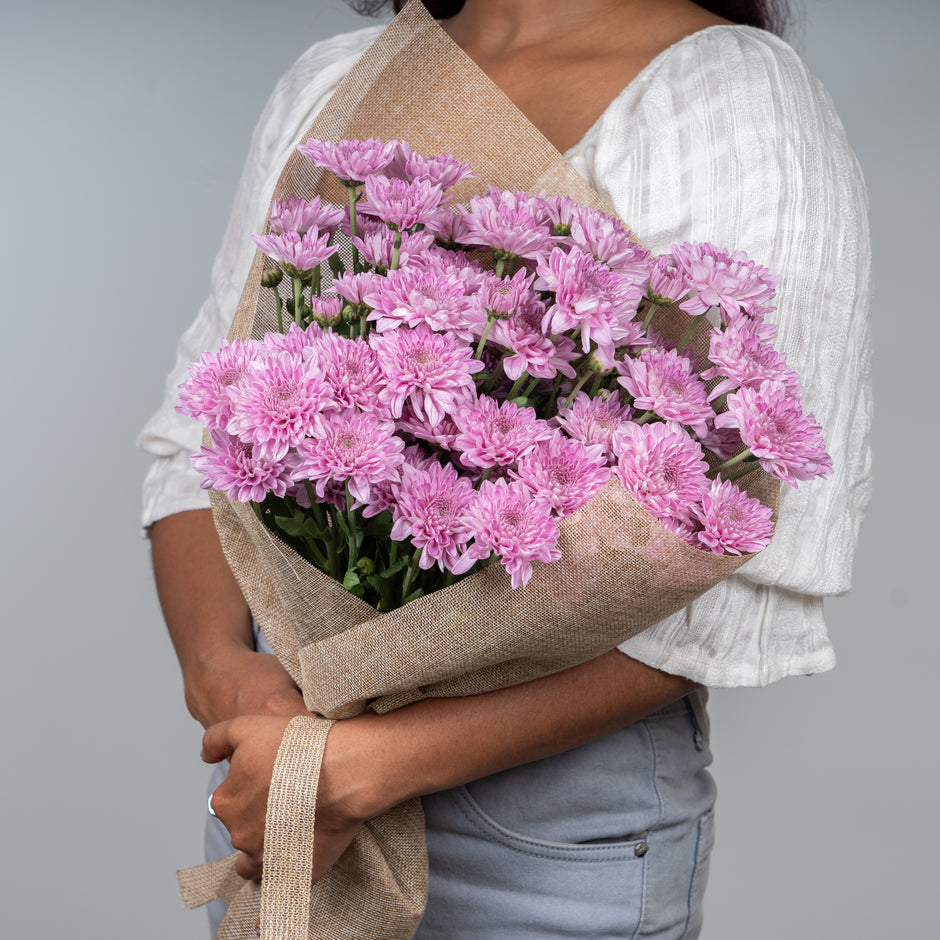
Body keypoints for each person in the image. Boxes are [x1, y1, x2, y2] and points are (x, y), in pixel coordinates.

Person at [138, 0, 871, 936]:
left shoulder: (733, 93)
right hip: (285, 775)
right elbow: (195, 436)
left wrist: (371, 764)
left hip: (539, 829)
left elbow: (746, 569)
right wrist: (229, 680)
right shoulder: (337, 77)